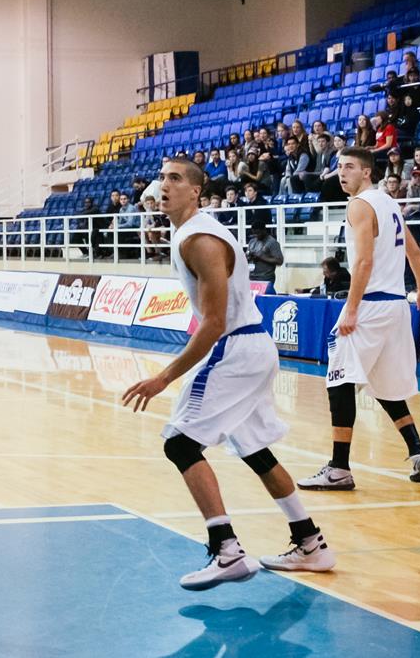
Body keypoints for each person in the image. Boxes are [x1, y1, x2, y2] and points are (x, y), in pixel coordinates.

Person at [121, 158, 333, 590]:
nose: (165, 185)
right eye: (162, 177)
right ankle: (311, 543)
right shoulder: (189, 231)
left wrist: (162, 378)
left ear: (196, 191)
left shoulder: (200, 239)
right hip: (250, 347)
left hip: (234, 348)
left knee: (180, 444)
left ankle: (227, 550)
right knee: (255, 451)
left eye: (175, 179)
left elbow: (214, 323)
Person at [298, 147, 420, 490]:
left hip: (372, 305)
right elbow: (415, 252)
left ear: (366, 172)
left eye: (348, 167)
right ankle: (419, 451)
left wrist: (351, 308)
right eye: (339, 166)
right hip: (396, 306)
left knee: (339, 382)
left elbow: (363, 262)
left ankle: (339, 468)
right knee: (385, 384)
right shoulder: (389, 202)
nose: (341, 172)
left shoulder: (359, 204)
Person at [245, 222, 284, 294]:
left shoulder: (272, 243)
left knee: (264, 298)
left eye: (258, 233)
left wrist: (262, 258)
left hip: (265, 277)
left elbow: (280, 261)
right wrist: (249, 257)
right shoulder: (252, 241)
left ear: (264, 230)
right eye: (254, 233)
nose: (256, 235)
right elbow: (247, 254)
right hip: (252, 276)